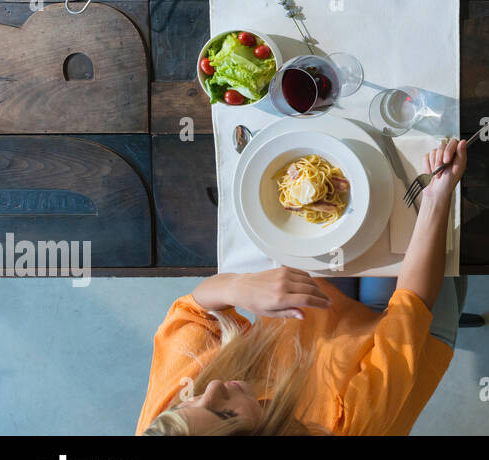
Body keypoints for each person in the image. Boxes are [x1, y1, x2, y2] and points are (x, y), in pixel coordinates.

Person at [137, 138, 466, 435]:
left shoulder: (168, 428)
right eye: (225, 414)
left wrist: (236, 288)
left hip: (307, 313)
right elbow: (412, 307)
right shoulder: (351, 427)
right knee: (429, 213)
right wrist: (437, 197)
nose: (212, 388)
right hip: (406, 330)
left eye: (186, 404)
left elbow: (190, 312)